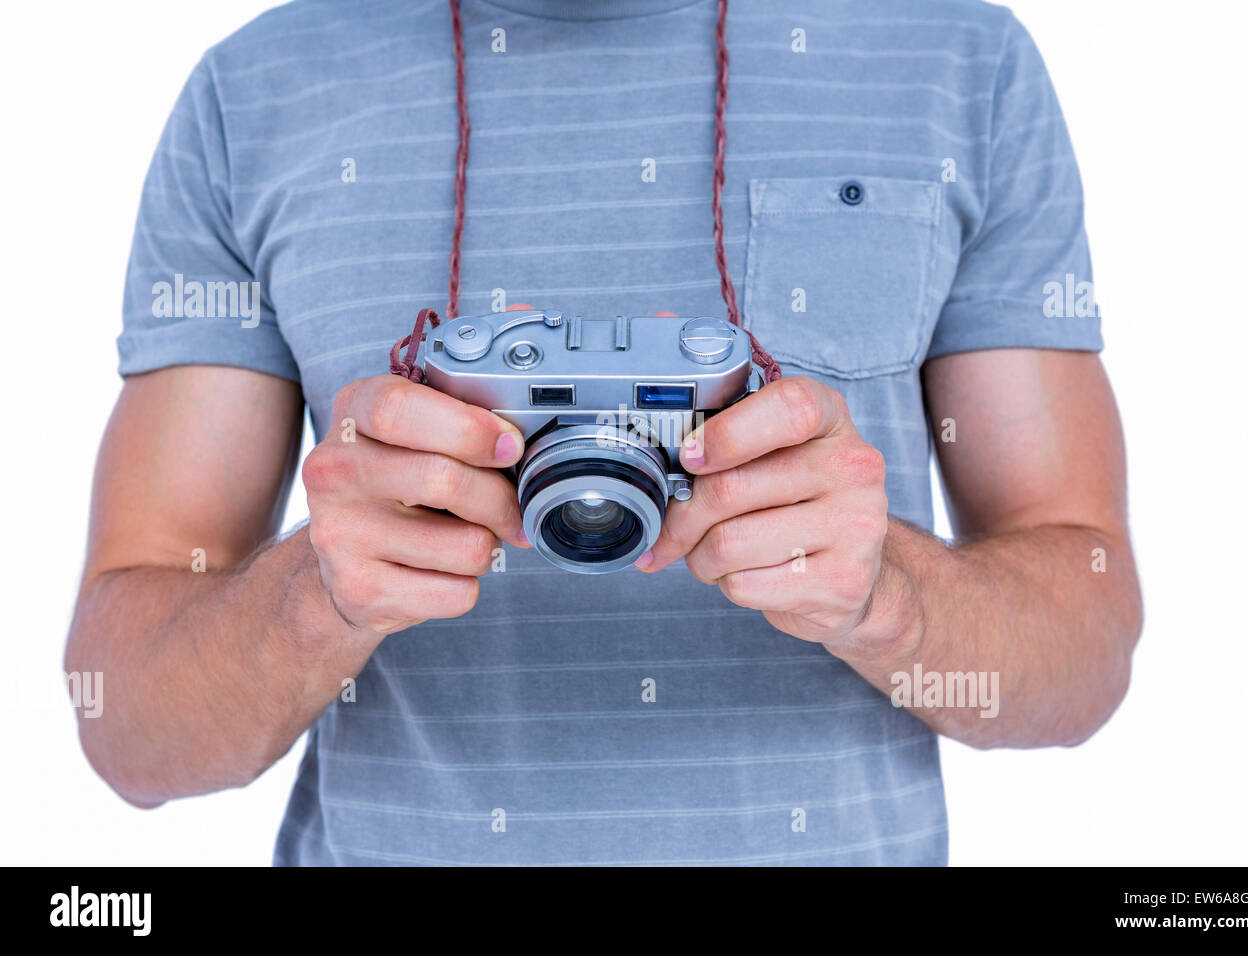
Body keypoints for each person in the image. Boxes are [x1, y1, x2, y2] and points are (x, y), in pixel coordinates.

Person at [67, 0, 1141, 865]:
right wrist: (316, 595)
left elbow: (1084, 650)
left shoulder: (958, 61)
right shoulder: (255, 92)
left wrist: (888, 596)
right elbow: (125, 725)